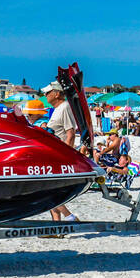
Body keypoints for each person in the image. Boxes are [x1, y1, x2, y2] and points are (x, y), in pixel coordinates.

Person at [43, 82, 80, 223]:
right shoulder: (58, 109)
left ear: (57, 93)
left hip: (58, 157)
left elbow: (70, 134)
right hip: (54, 155)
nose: (45, 95)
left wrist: (65, 157)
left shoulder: (64, 107)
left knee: (49, 191)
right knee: (51, 191)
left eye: (48, 92)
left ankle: (70, 217)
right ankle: (56, 225)